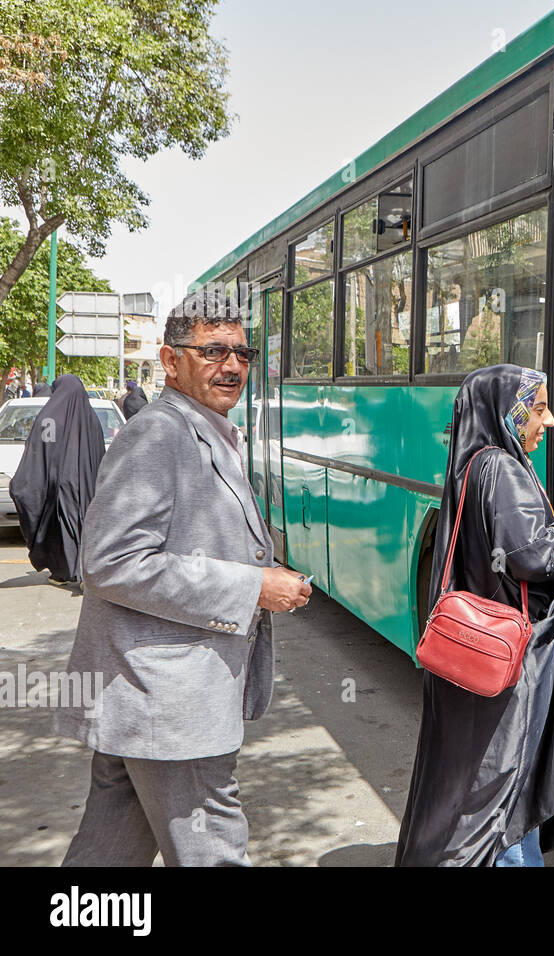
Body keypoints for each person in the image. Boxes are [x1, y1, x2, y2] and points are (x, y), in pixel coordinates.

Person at [55, 290, 312, 866]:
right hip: (167, 702)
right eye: (213, 351)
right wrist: (252, 587)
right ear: (170, 361)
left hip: (147, 700)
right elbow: (111, 562)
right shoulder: (159, 433)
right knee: (212, 850)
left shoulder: (209, 428)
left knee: (109, 851)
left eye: (242, 354)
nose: (232, 367)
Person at [396, 365, 554, 866]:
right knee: (503, 792)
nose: (547, 422)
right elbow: (535, 557)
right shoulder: (502, 469)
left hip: (475, 656)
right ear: (507, 412)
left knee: (480, 787)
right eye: (539, 408)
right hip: (511, 666)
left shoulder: (472, 464)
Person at [10, 374, 106, 585]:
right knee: (84, 527)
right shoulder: (91, 419)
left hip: (59, 485)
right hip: (87, 487)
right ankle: (81, 572)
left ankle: (64, 571)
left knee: (59, 527)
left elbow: (40, 451)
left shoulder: (49, 417)